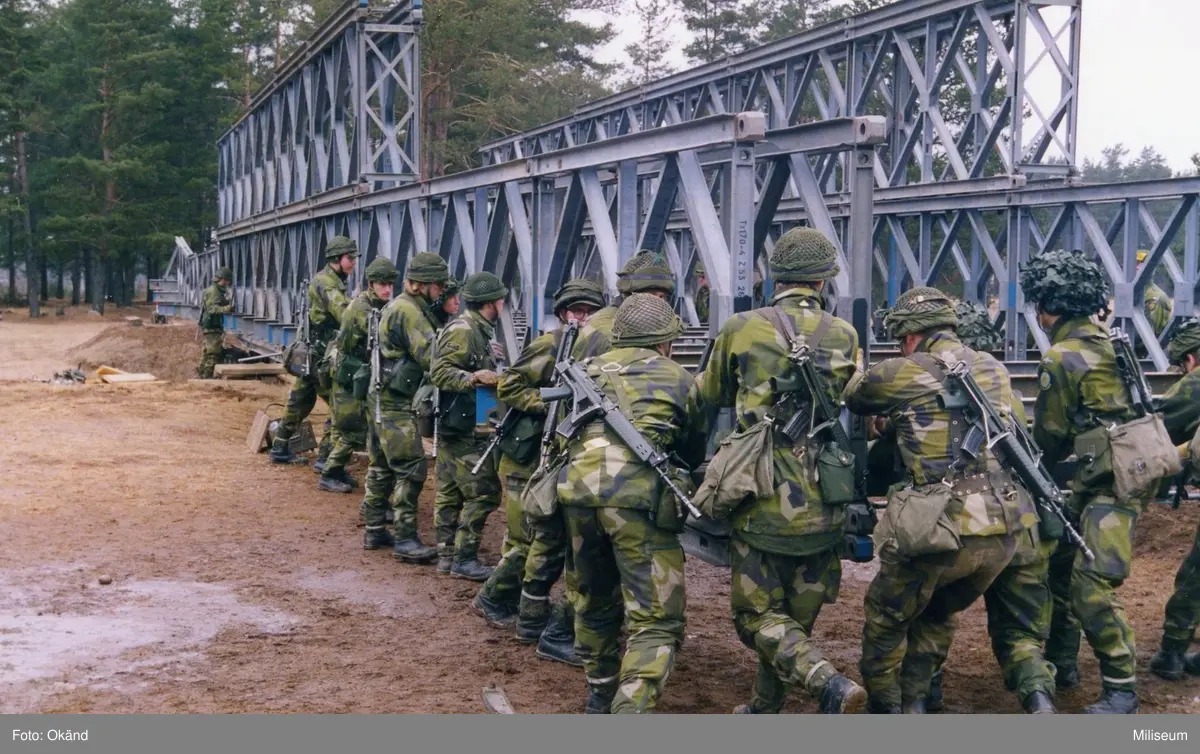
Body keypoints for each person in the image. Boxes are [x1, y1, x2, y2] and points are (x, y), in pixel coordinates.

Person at [844, 286, 1037, 714]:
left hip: (939, 529)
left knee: (886, 618)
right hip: (1001, 529)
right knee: (936, 613)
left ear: (910, 336)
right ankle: (916, 704)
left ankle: (886, 708)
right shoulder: (993, 367)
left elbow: (856, 396)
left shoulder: (903, 370)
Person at [698, 227, 867, 714]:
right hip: (826, 501)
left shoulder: (740, 327)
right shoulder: (844, 333)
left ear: (777, 279)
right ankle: (762, 709)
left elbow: (707, 399)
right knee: (795, 619)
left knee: (756, 617)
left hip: (761, 498)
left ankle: (827, 683)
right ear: (822, 283)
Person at [557, 293, 707, 713]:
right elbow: (693, 447)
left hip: (577, 497)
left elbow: (560, 436)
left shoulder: (583, 370)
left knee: (593, 597)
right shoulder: (679, 377)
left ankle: (600, 694)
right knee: (657, 620)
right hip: (639, 503)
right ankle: (630, 709)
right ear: (665, 341)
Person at [1021, 249, 1147, 714]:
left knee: (1090, 584)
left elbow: (1050, 437)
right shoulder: (1114, 343)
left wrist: (1031, 470)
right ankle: (1061, 661)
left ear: (1047, 307)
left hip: (1108, 484)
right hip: (1126, 473)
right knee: (1062, 566)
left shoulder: (1062, 357)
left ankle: (1121, 688)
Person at [924, 300, 1058, 714]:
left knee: (932, 611)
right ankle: (1040, 703)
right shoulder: (1005, 391)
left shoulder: (925, 390)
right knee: (1020, 632)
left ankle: (925, 696)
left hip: (970, 525)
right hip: (1023, 524)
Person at [472, 280, 606, 632]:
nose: (584, 316)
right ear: (563, 314)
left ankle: (526, 605)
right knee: (525, 537)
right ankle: (493, 597)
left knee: (546, 535)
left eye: (591, 311)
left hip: (553, 457)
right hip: (527, 454)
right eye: (578, 310)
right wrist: (552, 400)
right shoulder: (551, 344)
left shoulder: (593, 348)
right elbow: (511, 385)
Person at [361, 252, 450, 561]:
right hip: (394, 402)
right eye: (438, 286)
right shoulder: (409, 312)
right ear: (423, 285)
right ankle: (405, 538)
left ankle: (374, 529)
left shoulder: (399, 305)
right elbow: (434, 358)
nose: (440, 292)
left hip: (381, 397)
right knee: (412, 468)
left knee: (383, 466)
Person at [430, 271, 508, 581]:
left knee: (449, 491)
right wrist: (472, 378)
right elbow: (440, 371)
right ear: (492, 303)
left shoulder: (480, 330)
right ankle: (463, 557)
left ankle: (447, 556)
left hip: (466, 421)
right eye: (500, 299)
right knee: (485, 493)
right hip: (462, 425)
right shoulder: (464, 330)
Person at [269, 237, 357, 468]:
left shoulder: (331, 280)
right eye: (350, 258)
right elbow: (344, 314)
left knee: (300, 400)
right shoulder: (327, 282)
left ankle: (279, 446)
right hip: (321, 357)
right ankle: (326, 459)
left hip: (312, 354)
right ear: (336, 259)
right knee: (340, 405)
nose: (353, 263)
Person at [1149, 318, 1200, 680]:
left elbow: (1161, 426)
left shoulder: (1197, 381)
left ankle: (1172, 654)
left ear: (1192, 359)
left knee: (1196, 574)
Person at [319, 257, 396, 494]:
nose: (388, 289)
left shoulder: (372, 305)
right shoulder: (363, 308)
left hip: (352, 371)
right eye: (382, 284)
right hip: (348, 374)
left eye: (390, 284)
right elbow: (384, 338)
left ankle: (336, 469)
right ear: (371, 283)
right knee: (353, 430)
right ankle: (330, 472)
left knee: (344, 428)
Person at [197, 266, 234, 379]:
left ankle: (202, 375)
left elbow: (217, 303)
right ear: (222, 279)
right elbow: (212, 309)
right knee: (213, 353)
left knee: (207, 352)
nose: (227, 283)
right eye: (227, 281)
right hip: (212, 326)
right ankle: (206, 377)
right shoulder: (214, 291)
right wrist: (227, 308)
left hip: (211, 325)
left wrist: (226, 302)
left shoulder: (216, 290)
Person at [1136, 250, 1174, 338]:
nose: (1136, 267)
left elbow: (1152, 333)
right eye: (1136, 262)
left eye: (1140, 263)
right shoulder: (1128, 291)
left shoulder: (1157, 297)